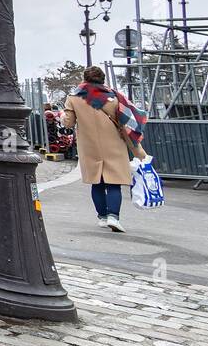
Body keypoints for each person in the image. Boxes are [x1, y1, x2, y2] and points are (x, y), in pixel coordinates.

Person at [62, 66, 147, 233]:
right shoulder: (114, 97)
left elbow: (68, 123)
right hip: (114, 144)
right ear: (102, 79)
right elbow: (126, 123)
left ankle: (102, 216)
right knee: (114, 183)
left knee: (97, 182)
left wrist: (63, 116)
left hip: (89, 146)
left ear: (84, 79)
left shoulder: (73, 98)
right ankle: (113, 217)